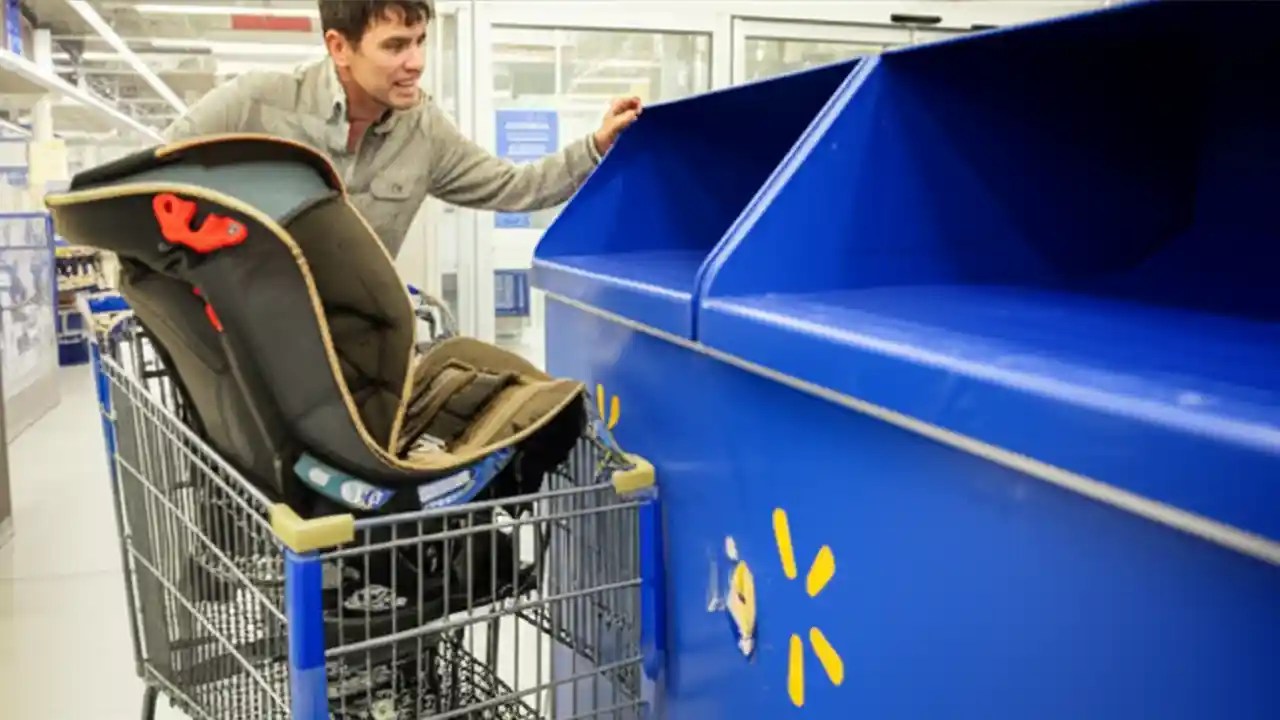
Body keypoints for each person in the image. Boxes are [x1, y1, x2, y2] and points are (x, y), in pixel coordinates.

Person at [162, 0, 642, 257]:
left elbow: (514, 188)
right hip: (243, 337)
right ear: (339, 46)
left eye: (420, 42)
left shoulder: (424, 131)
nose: (416, 63)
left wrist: (596, 146)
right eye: (395, 46)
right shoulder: (256, 103)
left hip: (349, 344)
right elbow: (149, 176)